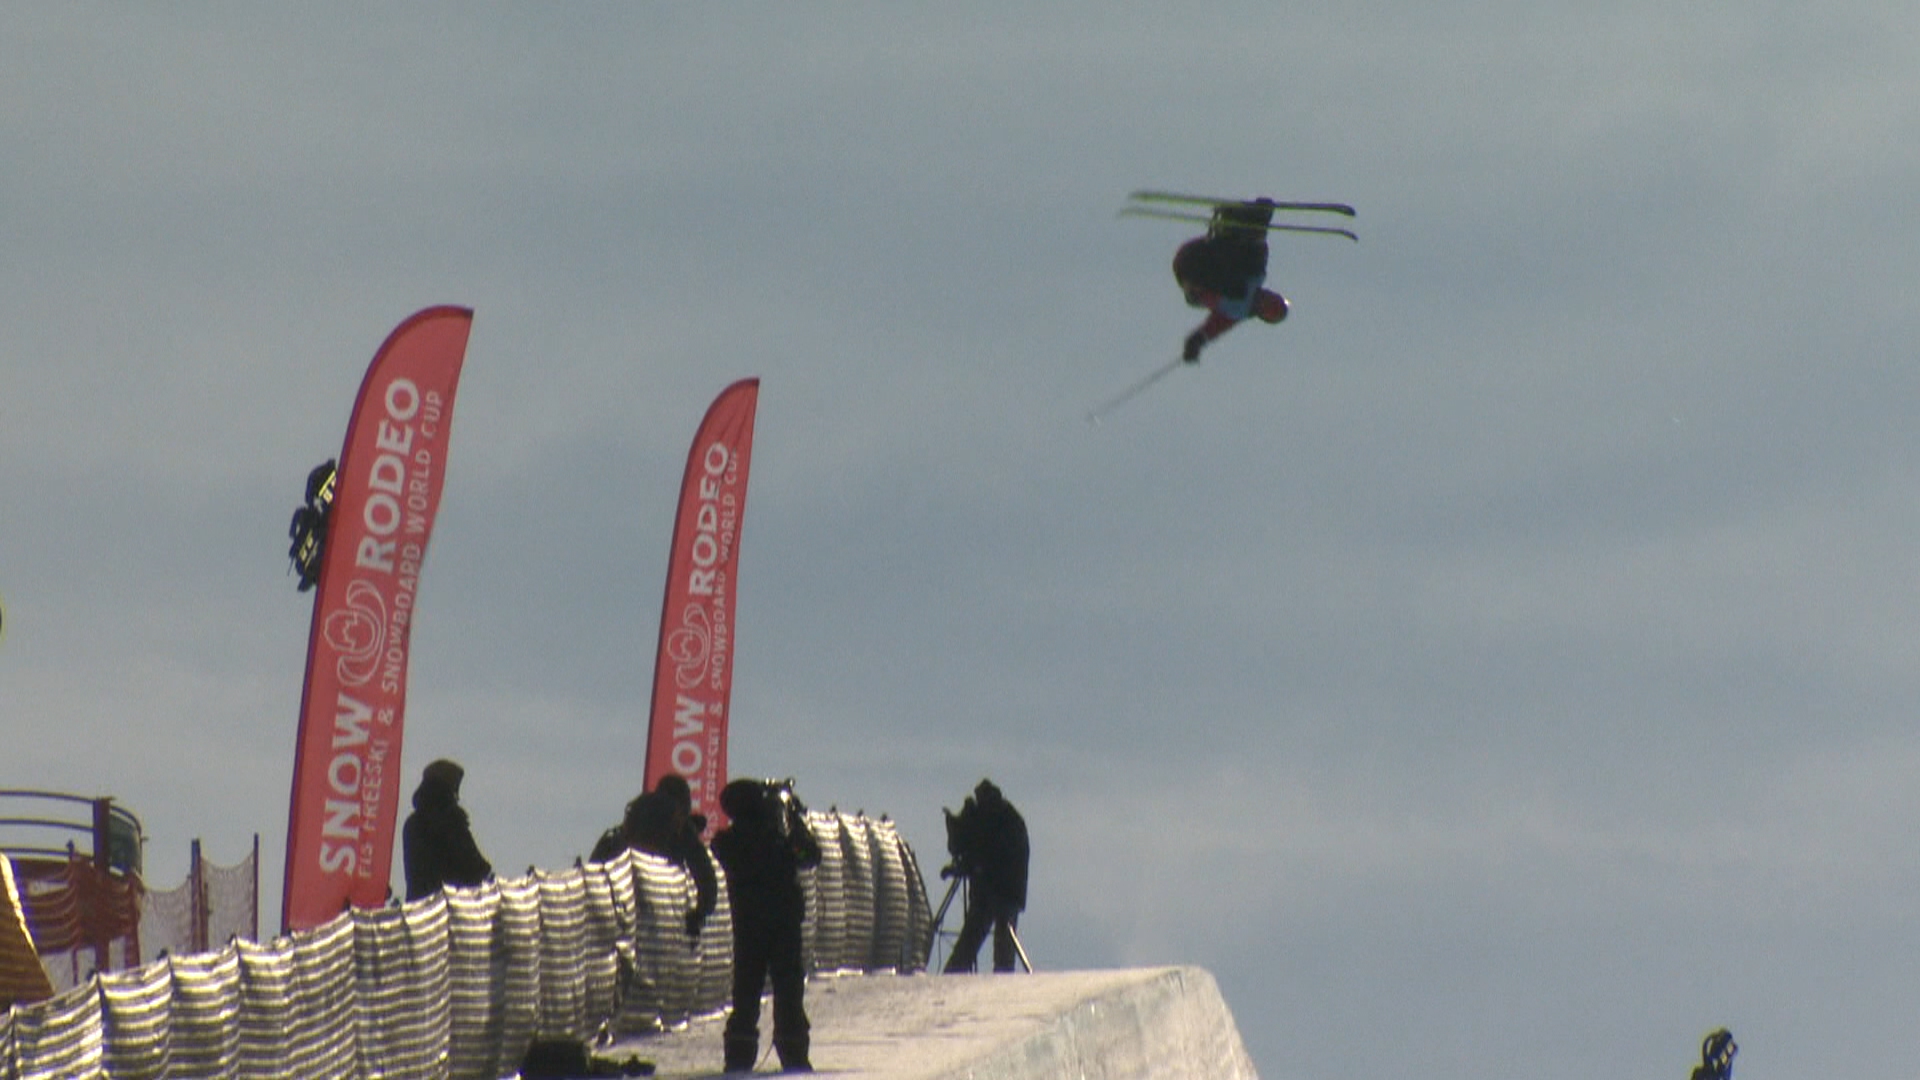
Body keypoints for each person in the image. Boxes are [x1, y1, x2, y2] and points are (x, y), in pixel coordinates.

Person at [710, 777, 822, 1074]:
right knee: (787, 992)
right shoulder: (777, 841)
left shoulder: (727, 842)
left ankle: (739, 1057)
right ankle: (794, 1055)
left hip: (748, 929)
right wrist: (794, 821)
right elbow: (809, 855)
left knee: (745, 994)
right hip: (782, 928)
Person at [590, 774, 720, 938]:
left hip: (623, 908)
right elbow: (705, 876)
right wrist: (700, 913)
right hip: (665, 915)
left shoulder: (634, 820)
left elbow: (596, 870)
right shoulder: (683, 832)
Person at [1171, 198, 1288, 363]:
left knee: (1240, 287)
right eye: (1273, 298)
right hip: (1201, 253)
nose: (1267, 297)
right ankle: (1250, 225)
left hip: (1192, 271)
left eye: (1269, 305)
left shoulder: (1237, 309)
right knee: (1253, 270)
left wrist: (1195, 343)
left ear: (1261, 313)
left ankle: (1237, 227)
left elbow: (1214, 327)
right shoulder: (1255, 279)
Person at [940, 779, 1029, 974]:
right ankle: (998, 976)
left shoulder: (998, 821)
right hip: (1006, 892)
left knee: (980, 937)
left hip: (1001, 892)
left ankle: (956, 974)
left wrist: (966, 866)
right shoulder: (1006, 818)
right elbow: (979, 854)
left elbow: (985, 854)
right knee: (990, 940)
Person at [401, 758, 493, 901]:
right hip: (452, 905)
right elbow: (469, 859)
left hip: (418, 905)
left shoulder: (412, 823)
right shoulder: (450, 818)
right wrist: (484, 871)